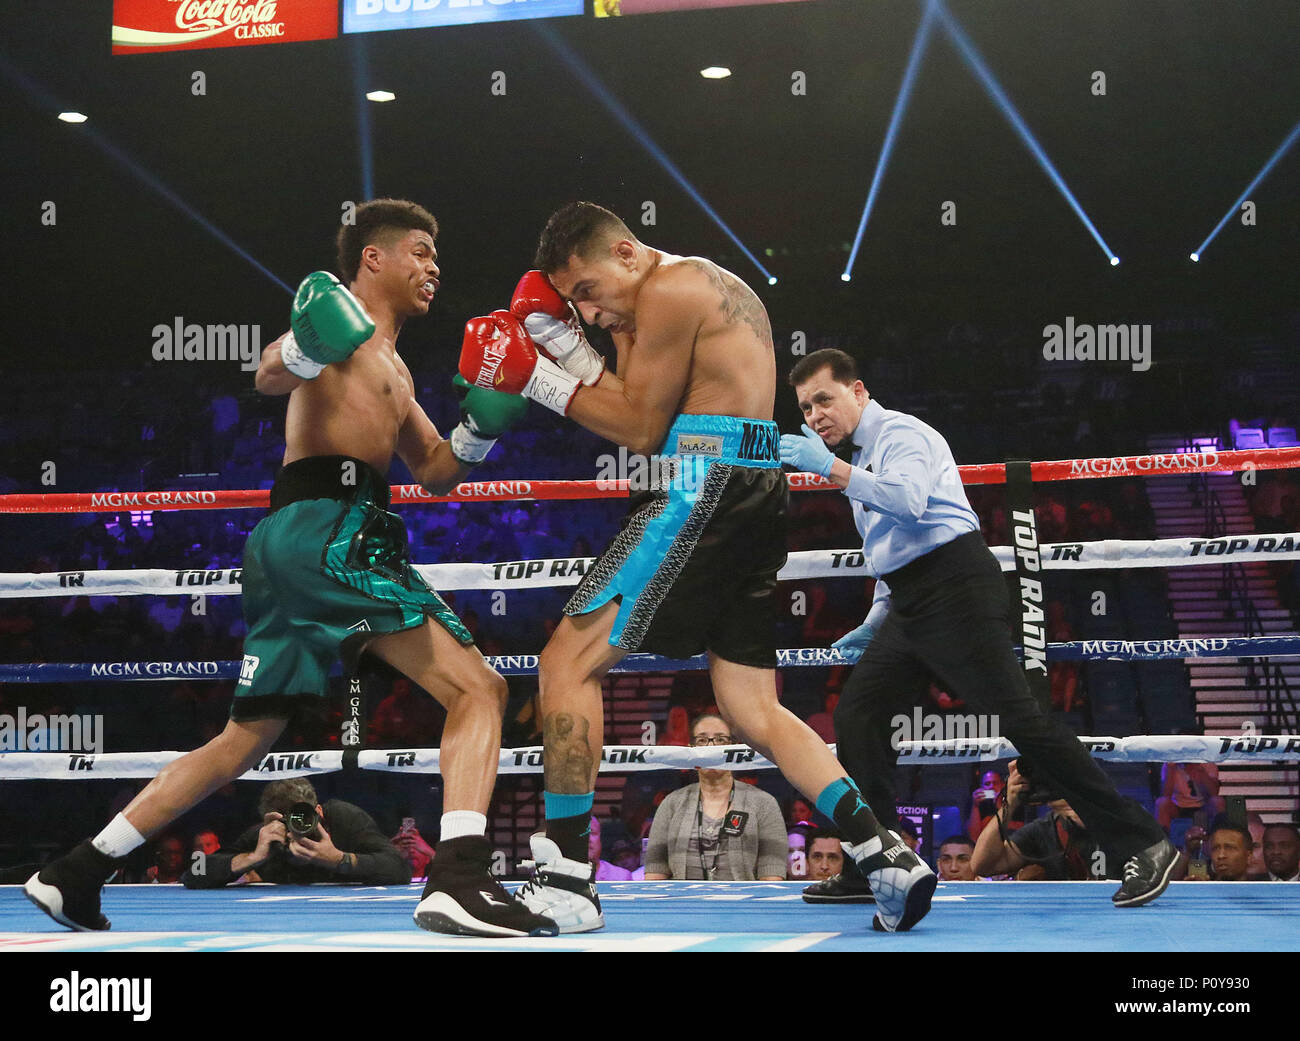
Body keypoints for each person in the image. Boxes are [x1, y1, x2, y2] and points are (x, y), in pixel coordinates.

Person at [26, 199, 554, 939]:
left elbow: (435, 471)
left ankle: (76, 869)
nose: (434, 266)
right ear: (372, 257)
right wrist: (305, 349)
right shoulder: (338, 320)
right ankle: (459, 877)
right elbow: (270, 371)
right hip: (330, 531)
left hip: (300, 538)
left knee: (246, 738)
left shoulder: (394, 367)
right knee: (480, 687)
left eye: (436, 255)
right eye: (419, 250)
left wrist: (484, 420)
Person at [458, 204, 935, 932]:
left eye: (587, 290)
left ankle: (565, 876)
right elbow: (633, 396)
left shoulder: (671, 290)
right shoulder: (678, 291)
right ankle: (883, 853)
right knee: (752, 706)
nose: (586, 309)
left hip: (701, 483)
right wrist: (566, 341)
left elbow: (642, 428)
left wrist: (536, 375)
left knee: (564, 663)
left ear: (625, 250)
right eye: (573, 303)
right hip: (749, 485)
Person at [779, 348, 1176, 908]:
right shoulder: (865, 454)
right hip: (911, 601)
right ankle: (875, 862)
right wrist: (876, 619)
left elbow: (910, 504)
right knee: (858, 714)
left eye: (824, 398)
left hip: (956, 587)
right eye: (804, 407)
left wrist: (830, 469)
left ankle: (1146, 841)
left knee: (1024, 723)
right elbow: (890, 547)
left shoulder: (901, 434)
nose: (815, 415)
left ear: (858, 391)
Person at [181, 779, 410, 887]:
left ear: (319, 811)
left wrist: (340, 859)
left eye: (303, 816)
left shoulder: (343, 818)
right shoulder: (269, 835)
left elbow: (399, 868)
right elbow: (194, 871)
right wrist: (252, 858)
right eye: (289, 821)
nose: (297, 826)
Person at [643, 714, 787, 881]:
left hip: (744, 905)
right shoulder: (671, 804)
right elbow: (654, 875)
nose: (711, 748)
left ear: (735, 748)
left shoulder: (764, 803)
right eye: (702, 740)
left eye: (720, 740)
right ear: (691, 749)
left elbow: (772, 877)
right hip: (683, 906)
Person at [970, 759, 1113, 881]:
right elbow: (982, 866)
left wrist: (1091, 819)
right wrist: (1009, 805)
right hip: (1064, 911)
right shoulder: (1042, 829)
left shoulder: (1120, 818)